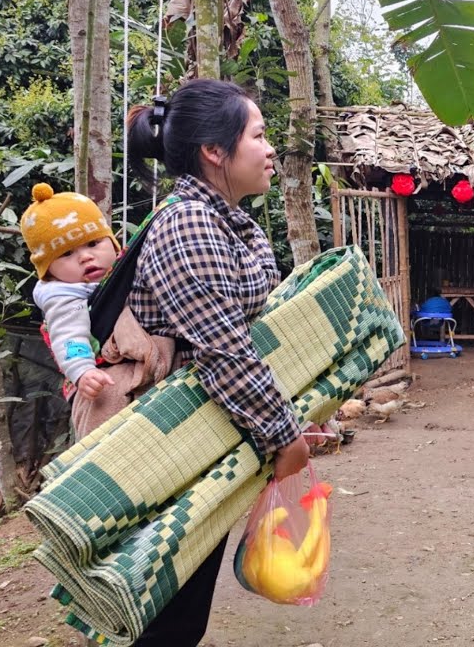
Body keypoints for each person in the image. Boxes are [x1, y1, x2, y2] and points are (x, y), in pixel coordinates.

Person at [123, 78, 310, 646]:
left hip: (200, 443)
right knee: (166, 621)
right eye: (258, 135)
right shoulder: (189, 224)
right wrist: (285, 435)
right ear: (214, 151)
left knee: (182, 613)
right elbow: (225, 348)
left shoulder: (227, 221)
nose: (271, 148)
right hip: (169, 451)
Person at [20, 183, 119, 404]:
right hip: (95, 374)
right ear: (49, 271)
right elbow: (68, 335)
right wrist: (82, 371)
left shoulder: (122, 271)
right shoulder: (64, 296)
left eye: (93, 243)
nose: (85, 257)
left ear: (113, 243)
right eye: (66, 253)